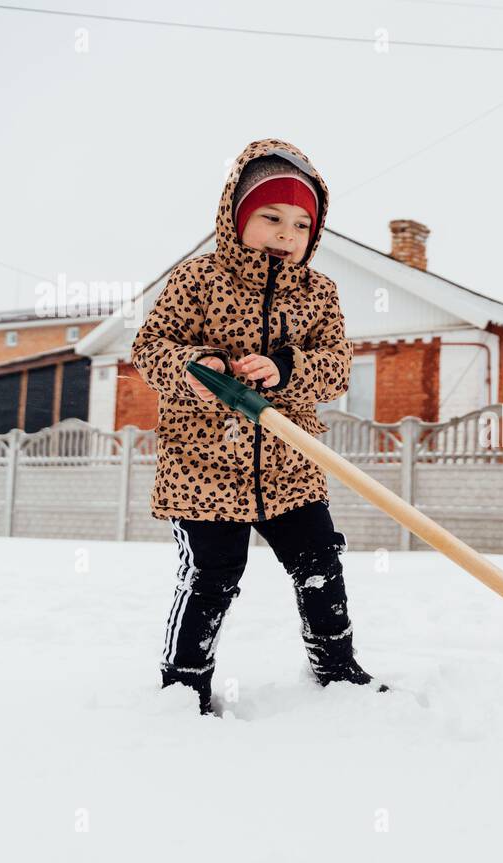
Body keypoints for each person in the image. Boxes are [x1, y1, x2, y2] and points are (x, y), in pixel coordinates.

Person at [131, 137, 385, 715]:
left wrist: (287, 368)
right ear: (237, 216)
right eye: (271, 217)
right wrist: (196, 366)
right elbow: (151, 348)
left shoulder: (319, 293)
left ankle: (335, 664)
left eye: (301, 225)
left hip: (289, 463)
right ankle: (184, 682)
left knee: (319, 560)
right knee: (213, 574)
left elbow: (338, 365)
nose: (285, 235)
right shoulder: (197, 279)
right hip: (203, 463)